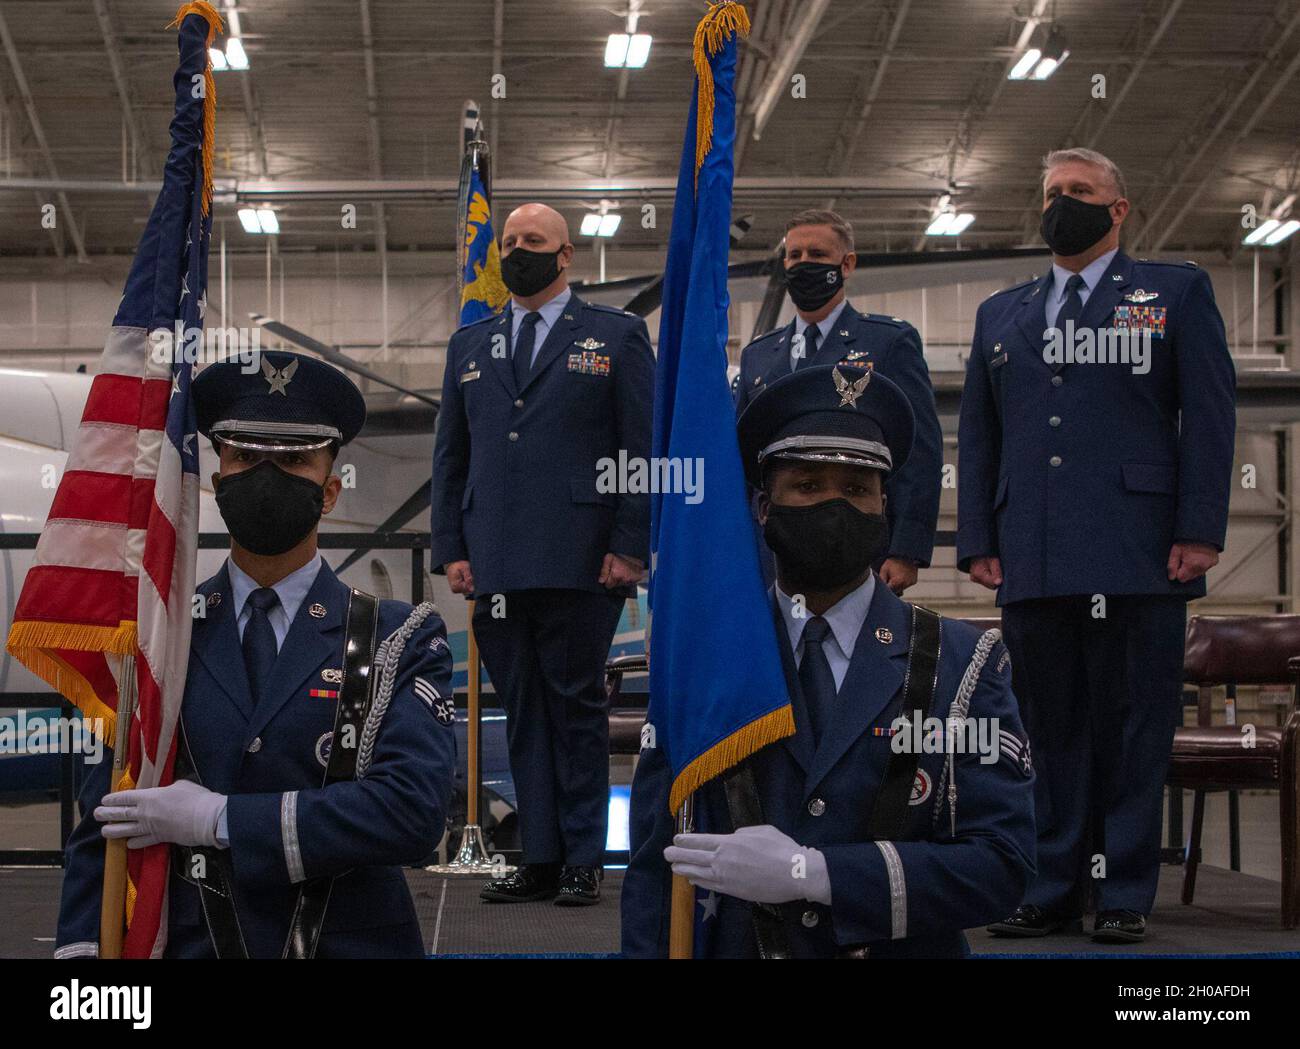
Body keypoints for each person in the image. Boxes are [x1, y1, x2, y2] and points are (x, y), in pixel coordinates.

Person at [622, 364, 1035, 958]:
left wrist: (817, 874)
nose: (835, 507)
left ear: (884, 507)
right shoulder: (705, 664)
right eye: (809, 487)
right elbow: (654, 866)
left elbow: (1003, 863)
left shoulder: (960, 663)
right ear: (764, 507)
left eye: (857, 490)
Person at [55, 350, 456, 959]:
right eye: (244, 457)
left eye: (293, 460)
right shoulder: (160, 638)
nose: (265, 477)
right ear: (216, 485)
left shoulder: (398, 638)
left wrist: (220, 820)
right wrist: (83, 960)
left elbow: (412, 813)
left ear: (329, 493)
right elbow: (107, 816)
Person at [958, 147, 1236, 943]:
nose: (1061, 205)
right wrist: (980, 536)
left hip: (1141, 550)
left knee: (1131, 727)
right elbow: (981, 435)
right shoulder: (1001, 313)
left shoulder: (1173, 292)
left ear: (1119, 209)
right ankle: (1050, 886)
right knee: (1047, 731)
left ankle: (1121, 892)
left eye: (1079, 193)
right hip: (1033, 555)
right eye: (1051, 193)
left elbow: (1211, 419)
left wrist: (1199, 529)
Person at [431, 203, 655, 905]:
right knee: (522, 710)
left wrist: (629, 545)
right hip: (494, 562)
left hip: (583, 559)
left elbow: (640, 450)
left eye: (534, 242)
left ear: (567, 257)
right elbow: (452, 456)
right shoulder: (470, 345)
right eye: (510, 242)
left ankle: (585, 854)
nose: (519, 250)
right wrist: (451, 547)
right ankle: (541, 854)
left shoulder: (616, 336)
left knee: (576, 707)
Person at [733, 208, 943, 594]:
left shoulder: (889, 342)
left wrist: (906, 549)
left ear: (846, 264)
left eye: (817, 255)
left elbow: (920, 452)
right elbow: (742, 463)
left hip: (859, 540)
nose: (802, 264)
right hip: (773, 548)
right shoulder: (758, 355)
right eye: (794, 256)